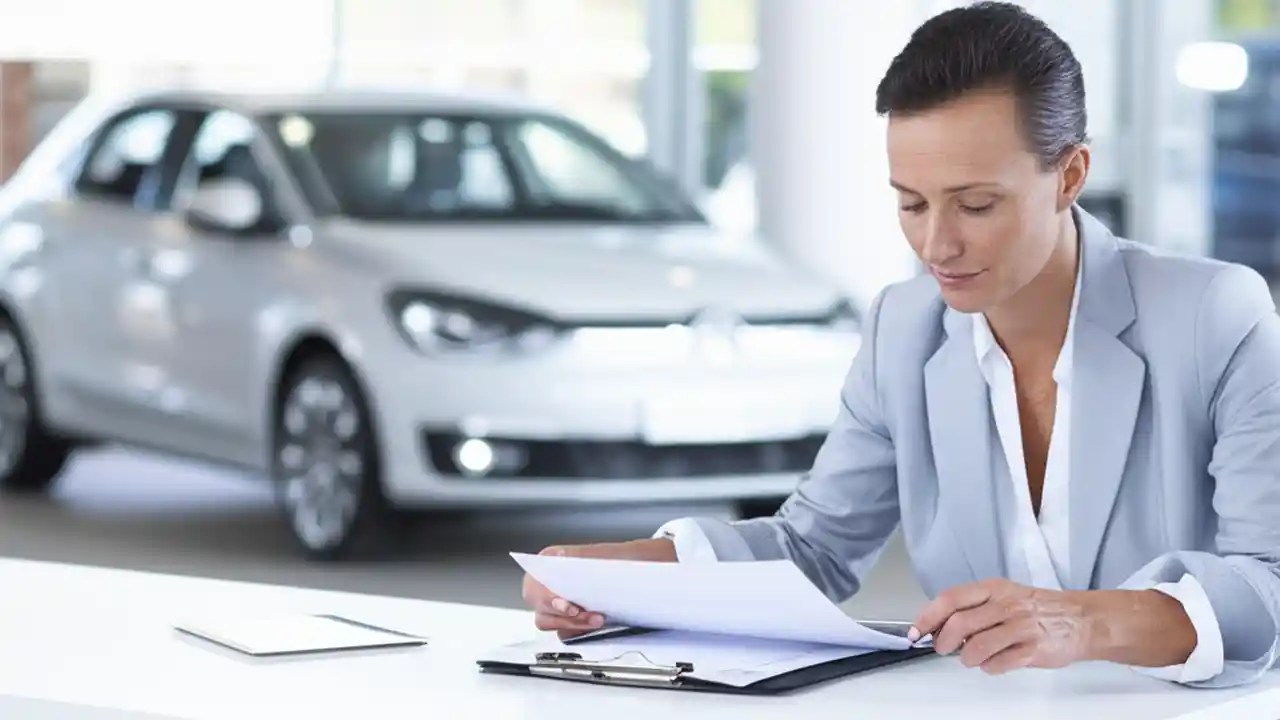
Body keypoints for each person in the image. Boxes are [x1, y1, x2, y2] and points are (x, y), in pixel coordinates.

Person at [520, 2, 1280, 688]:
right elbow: (814, 548)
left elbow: (1269, 582)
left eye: (976, 205)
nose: (936, 244)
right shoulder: (903, 330)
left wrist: (1084, 621)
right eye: (911, 204)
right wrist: (630, 576)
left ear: (1071, 175)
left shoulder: (1215, 314)